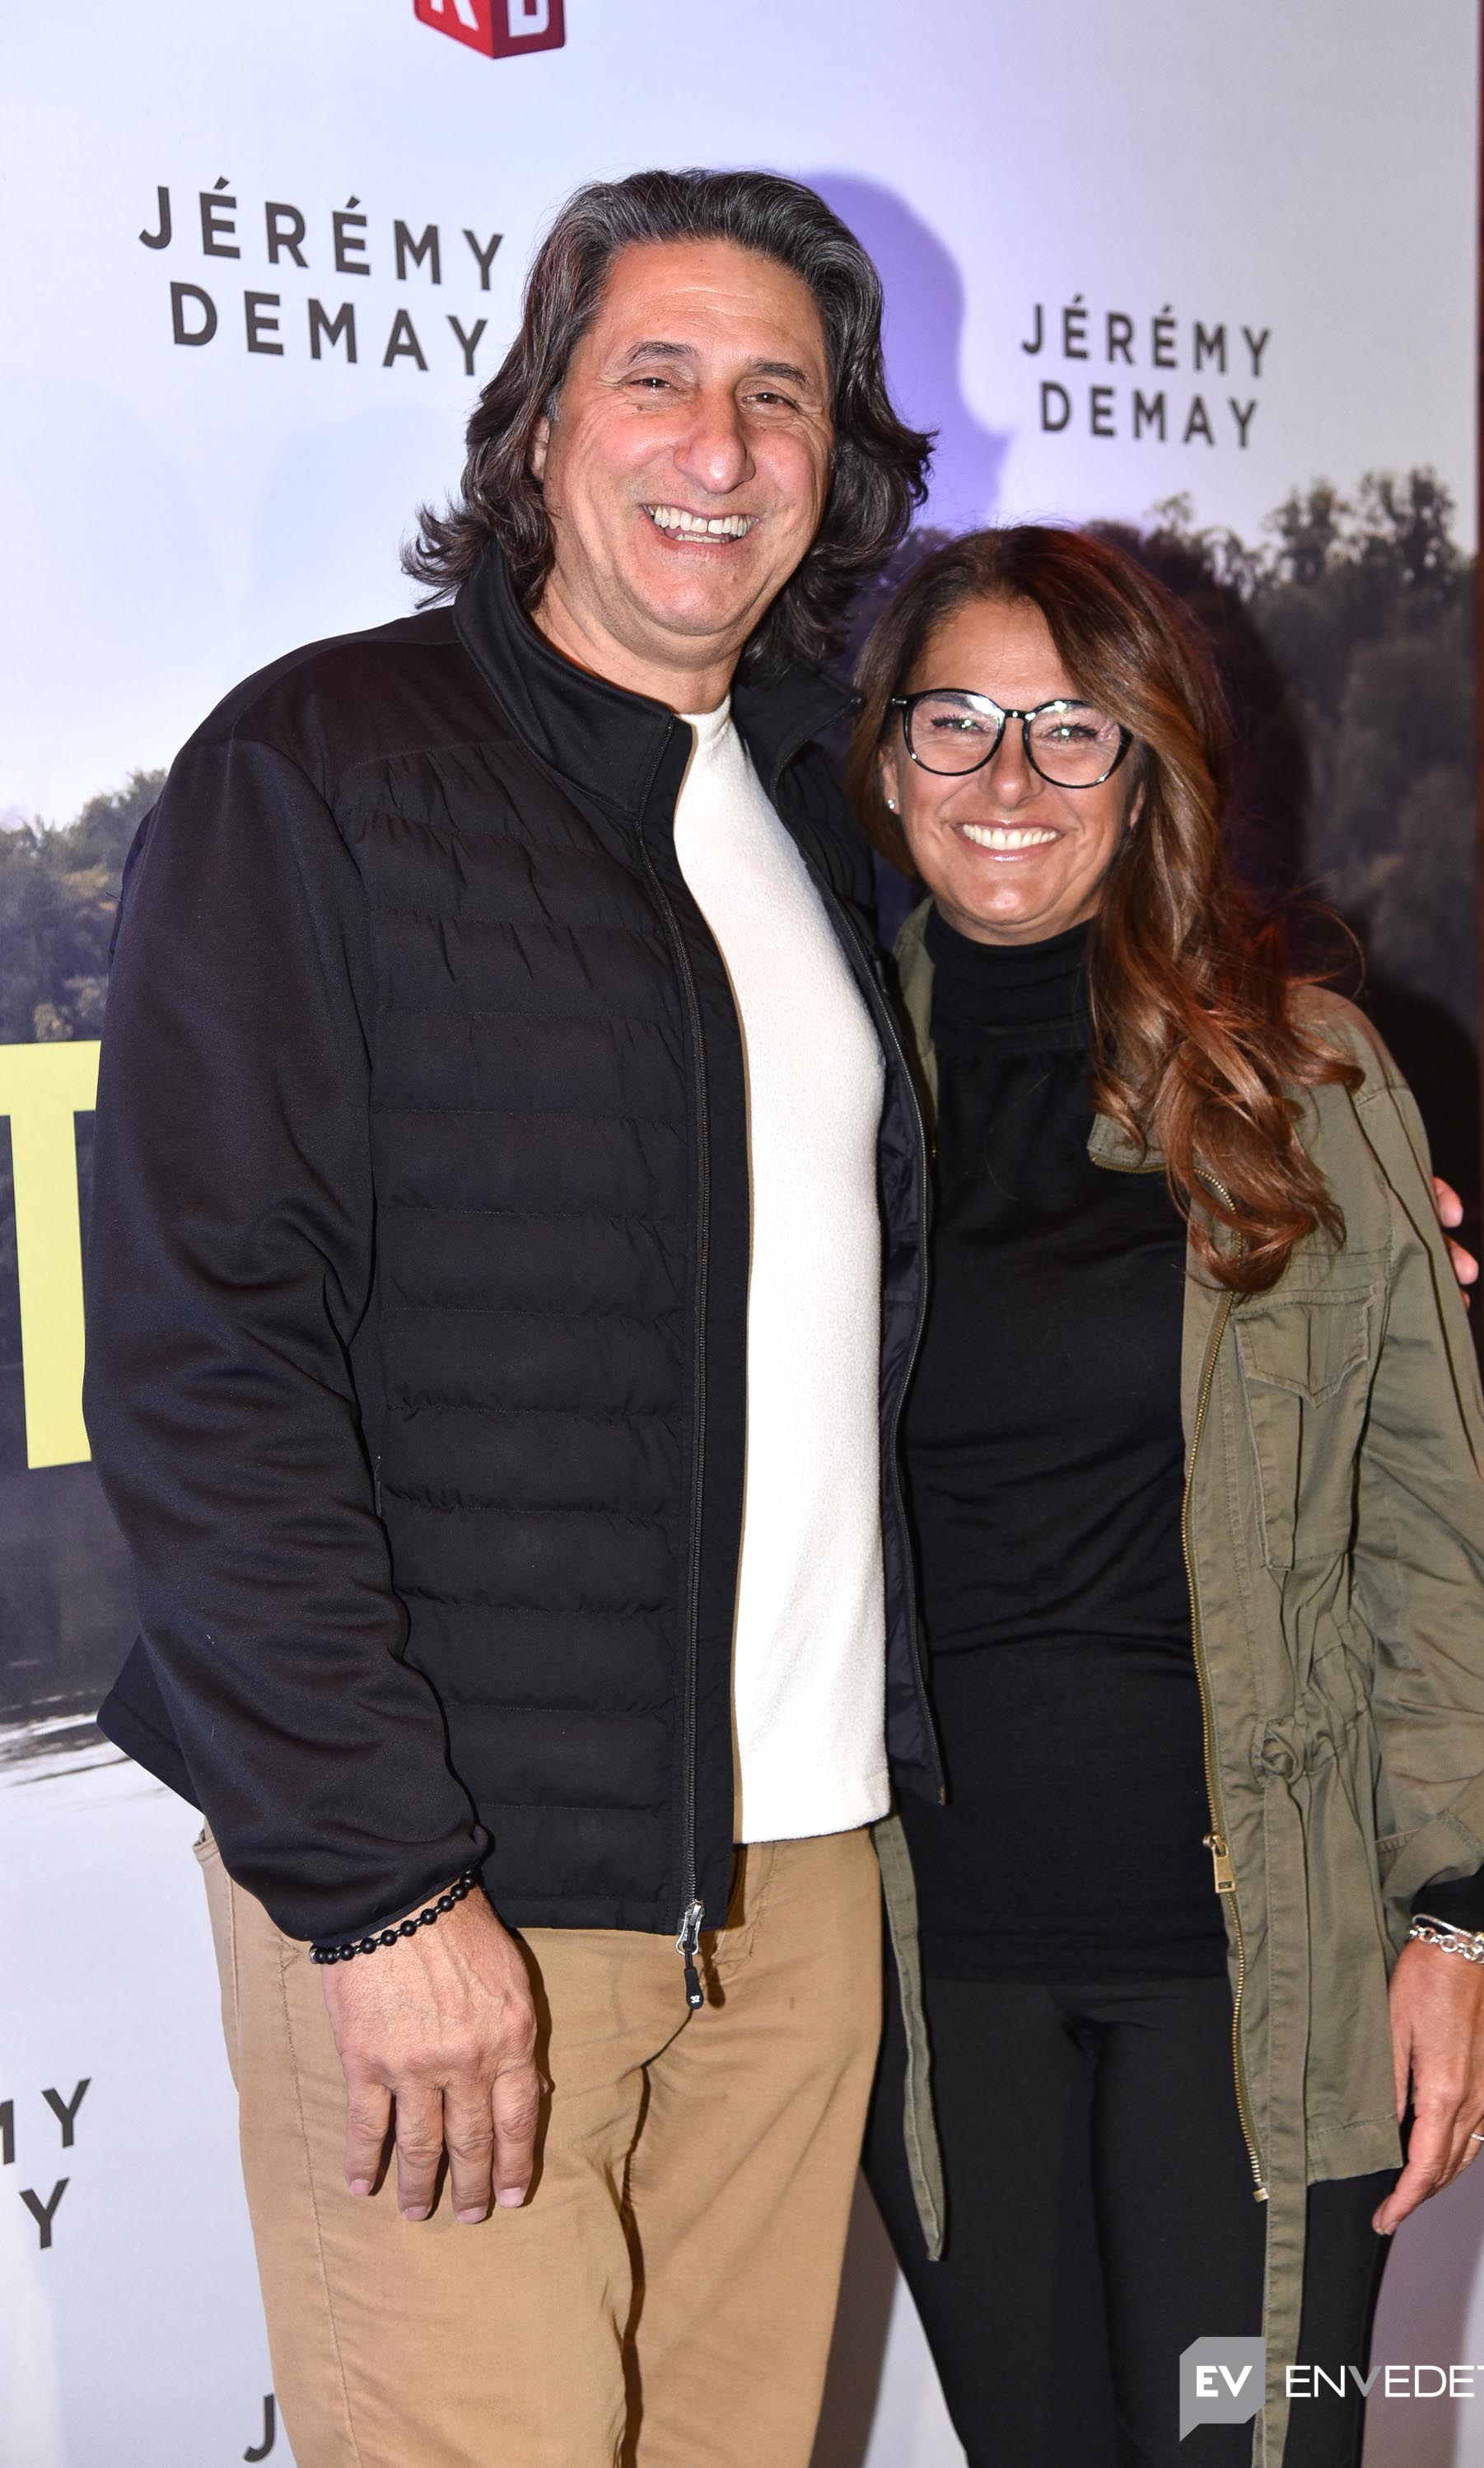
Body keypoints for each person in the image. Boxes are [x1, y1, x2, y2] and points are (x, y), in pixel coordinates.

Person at [82, 169, 941, 2468]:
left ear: (836, 458)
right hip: (458, 1885)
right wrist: (380, 1890)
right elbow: (203, 1357)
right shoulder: (317, 769)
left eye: (782, 395)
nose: (720, 446)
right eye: (656, 375)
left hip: (795, 1880)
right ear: (542, 424)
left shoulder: (818, 799)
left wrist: (1330, 1209)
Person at [847, 526, 1484, 2467]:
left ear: (1146, 761)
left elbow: (1430, 1536)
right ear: (885, 757)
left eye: (1070, 728)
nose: (1008, 777)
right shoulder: (804, 1094)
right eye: (956, 720)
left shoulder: (1303, 1081)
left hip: (1261, 1979)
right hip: (932, 1978)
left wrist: (1469, 1924)